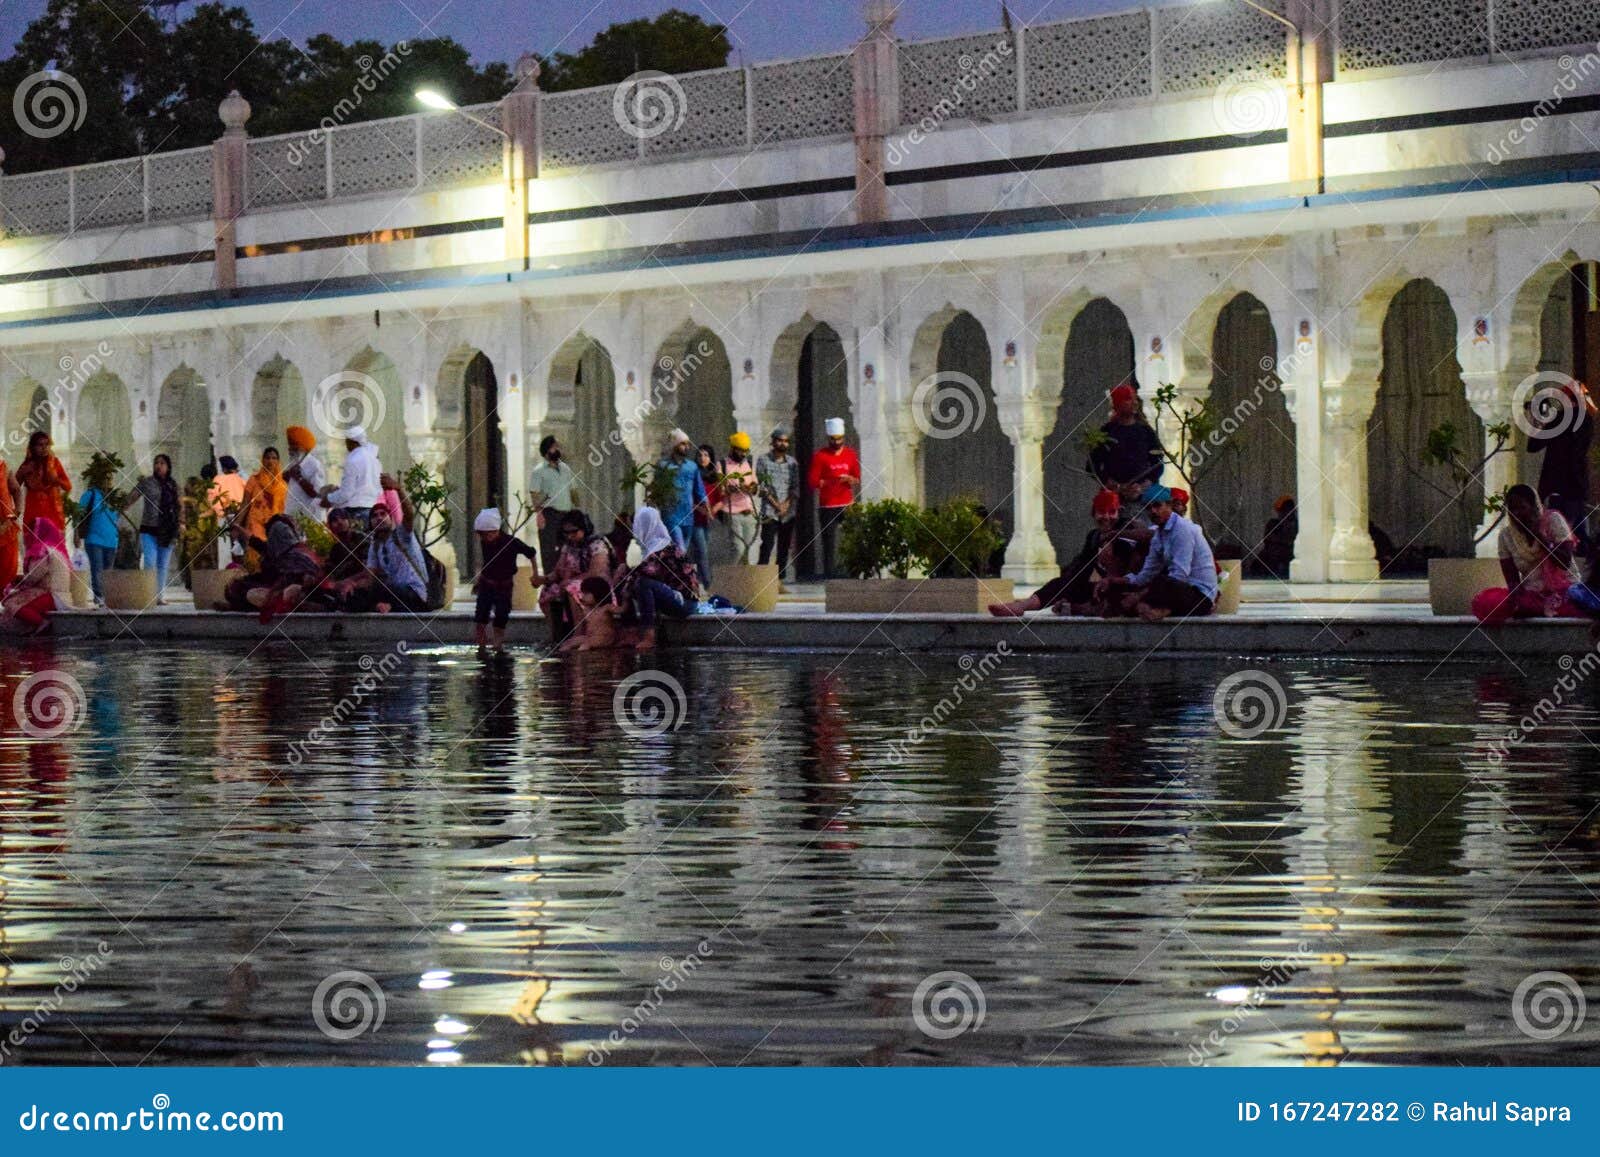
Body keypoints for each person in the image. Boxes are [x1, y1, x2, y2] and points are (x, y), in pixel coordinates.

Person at [990, 490, 1137, 617]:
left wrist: (1112, 539)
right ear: (1094, 514)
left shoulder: (1128, 531)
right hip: (1100, 589)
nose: (1106, 517)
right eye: (1101, 512)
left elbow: (1126, 564)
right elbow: (1081, 567)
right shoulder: (1094, 536)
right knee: (1060, 583)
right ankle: (1022, 606)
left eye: (1112, 512)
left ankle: (1073, 607)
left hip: (1123, 588)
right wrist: (1066, 585)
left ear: (1119, 513)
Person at [1102, 483, 1218, 621]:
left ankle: (1155, 609)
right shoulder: (1159, 535)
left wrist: (1138, 596)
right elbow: (1145, 575)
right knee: (1119, 589)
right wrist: (1112, 581)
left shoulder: (1183, 530)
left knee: (1162, 581)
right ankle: (1151, 609)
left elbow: (1179, 576)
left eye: (1157, 505)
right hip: (1173, 590)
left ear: (1169, 505)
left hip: (1198, 596)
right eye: (1148, 508)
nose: (1153, 511)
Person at [1471, 484, 1585, 624]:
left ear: (1534, 506)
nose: (1517, 513)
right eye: (1512, 509)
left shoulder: (1553, 520)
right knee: (1487, 604)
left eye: (1522, 508)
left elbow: (1564, 562)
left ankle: (1545, 608)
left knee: (1573, 603)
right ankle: (1537, 608)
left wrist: (1540, 536)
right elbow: (1512, 580)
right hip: (1533, 594)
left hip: (1565, 590)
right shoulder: (1506, 536)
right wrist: (1518, 600)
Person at [614, 506, 698, 652]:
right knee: (625, 581)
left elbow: (646, 574)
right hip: (665, 596)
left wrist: (627, 571)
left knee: (642, 583)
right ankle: (631, 632)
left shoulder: (664, 548)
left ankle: (649, 636)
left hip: (684, 602)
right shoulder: (644, 548)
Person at [1524, 378, 1595, 549]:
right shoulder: (1587, 420)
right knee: (1578, 531)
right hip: (1577, 483)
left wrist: (1539, 421)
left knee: (1558, 531)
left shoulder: (1562, 418)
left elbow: (1533, 446)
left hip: (1557, 485)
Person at [535, 509, 615, 646]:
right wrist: (543, 579)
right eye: (566, 532)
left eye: (574, 531)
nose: (570, 535)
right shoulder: (568, 546)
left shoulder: (597, 544)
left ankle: (578, 632)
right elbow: (557, 572)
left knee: (573, 587)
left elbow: (596, 572)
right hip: (573, 581)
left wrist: (570, 580)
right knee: (546, 592)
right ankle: (555, 633)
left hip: (597, 585)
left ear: (584, 528)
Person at [470, 507, 539, 653]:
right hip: (487, 584)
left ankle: (497, 646)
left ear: (495, 531)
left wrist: (535, 574)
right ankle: (481, 647)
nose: (484, 539)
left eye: (487, 535)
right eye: (482, 535)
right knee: (480, 616)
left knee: (501, 616)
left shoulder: (511, 542)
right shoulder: (484, 542)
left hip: (504, 585)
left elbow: (531, 553)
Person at [361, 475, 430, 614]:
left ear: (390, 519)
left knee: (380, 589)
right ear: (370, 523)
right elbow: (369, 577)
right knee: (360, 594)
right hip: (395, 594)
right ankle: (384, 606)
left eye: (383, 514)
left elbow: (409, 514)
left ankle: (387, 606)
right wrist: (348, 585)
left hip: (414, 593)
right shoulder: (375, 547)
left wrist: (399, 489)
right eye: (375, 516)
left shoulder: (401, 535)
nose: (379, 518)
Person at [1088, 383, 1165, 495]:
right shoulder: (1106, 432)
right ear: (1118, 404)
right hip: (1113, 498)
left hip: (1142, 497)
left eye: (1135, 399)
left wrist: (1142, 487)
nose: (1134, 403)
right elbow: (1091, 466)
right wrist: (1115, 486)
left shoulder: (1146, 432)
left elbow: (1158, 463)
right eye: (1128, 399)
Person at [807, 417, 860, 579]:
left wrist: (850, 480)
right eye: (833, 439)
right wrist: (831, 481)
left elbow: (857, 477)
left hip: (847, 504)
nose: (836, 442)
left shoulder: (850, 454)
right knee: (829, 543)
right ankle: (829, 574)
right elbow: (813, 481)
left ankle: (854, 571)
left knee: (853, 539)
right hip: (828, 506)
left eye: (839, 439)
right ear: (828, 439)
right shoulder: (820, 456)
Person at [2, 521, 71, 634]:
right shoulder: (55, 549)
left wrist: (18, 580)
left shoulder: (41, 550)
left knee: (10, 604)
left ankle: (41, 623)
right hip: (61, 595)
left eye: (28, 533)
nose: (25, 536)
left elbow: (33, 577)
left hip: (53, 596)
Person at [134, 453, 182, 605]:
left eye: (162, 463)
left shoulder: (173, 485)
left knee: (163, 565)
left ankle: (159, 596)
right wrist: (118, 507)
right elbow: (132, 497)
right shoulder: (147, 483)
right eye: (156, 463)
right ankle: (148, 594)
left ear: (168, 467)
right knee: (150, 561)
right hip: (149, 529)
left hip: (167, 530)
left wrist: (182, 523)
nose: (158, 466)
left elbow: (180, 506)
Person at [76, 457, 123, 608]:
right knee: (97, 568)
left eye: (110, 477)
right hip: (94, 538)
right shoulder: (90, 494)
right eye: (106, 477)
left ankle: (106, 595)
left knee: (108, 570)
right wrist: (76, 534)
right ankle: (99, 596)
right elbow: (78, 513)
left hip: (111, 540)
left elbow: (118, 516)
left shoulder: (114, 497)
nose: (108, 480)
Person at [321, 425, 383, 531]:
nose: (345, 444)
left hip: (356, 512)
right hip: (372, 510)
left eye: (346, 441)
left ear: (352, 441)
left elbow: (346, 493)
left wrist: (329, 499)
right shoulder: (374, 459)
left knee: (356, 545)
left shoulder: (353, 460)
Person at [756, 426, 799, 579]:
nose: (782, 444)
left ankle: (780, 580)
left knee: (784, 547)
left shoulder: (792, 463)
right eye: (779, 441)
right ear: (773, 442)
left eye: (785, 441)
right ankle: (761, 579)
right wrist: (776, 505)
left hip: (788, 511)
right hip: (769, 510)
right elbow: (762, 486)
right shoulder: (763, 460)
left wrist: (786, 505)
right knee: (767, 545)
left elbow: (795, 487)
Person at [530, 435, 576, 573]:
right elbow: (534, 493)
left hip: (566, 514)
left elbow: (573, 490)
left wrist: (577, 508)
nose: (558, 450)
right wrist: (539, 514)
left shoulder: (565, 469)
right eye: (555, 447)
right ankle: (550, 582)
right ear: (547, 450)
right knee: (549, 550)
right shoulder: (539, 470)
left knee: (567, 548)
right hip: (549, 514)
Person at [658, 428, 706, 557]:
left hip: (688, 516)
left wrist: (705, 504)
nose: (687, 447)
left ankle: (678, 576)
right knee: (681, 550)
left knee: (680, 553)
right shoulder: (663, 466)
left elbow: (699, 488)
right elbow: (657, 488)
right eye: (683, 444)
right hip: (671, 515)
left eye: (688, 444)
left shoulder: (692, 466)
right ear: (675, 445)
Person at [239, 447, 287, 572]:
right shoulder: (254, 480)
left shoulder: (283, 484)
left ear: (278, 461)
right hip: (256, 524)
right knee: (255, 556)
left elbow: (285, 507)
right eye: (267, 458)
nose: (270, 461)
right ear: (262, 460)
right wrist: (237, 523)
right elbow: (245, 504)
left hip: (276, 526)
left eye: (274, 458)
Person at [16, 431, 71, 534]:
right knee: (35, 549)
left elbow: (68, 486)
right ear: (33, 447)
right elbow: (14, 488)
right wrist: (21, 473)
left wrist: (56, 480)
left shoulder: (55, 463)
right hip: (33, 518)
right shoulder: (27, 465)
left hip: (54, 517)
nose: (44, 448)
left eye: (47, 444)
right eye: (40, 445)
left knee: (53, 549)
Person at [719, 432, 760, 566]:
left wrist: (750, 488)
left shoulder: (748, 463)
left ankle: (742, 583)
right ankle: (729, 577)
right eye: (740, 450)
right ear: (733, 449)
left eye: (745, 451)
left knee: (747, 550)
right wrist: (736, 488)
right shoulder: (722, 465)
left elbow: (755, 486)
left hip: (749, 512)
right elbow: (721, 489)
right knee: (738, 548)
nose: (743, 454)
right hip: (732, 513)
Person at [558, 576, 624, 652]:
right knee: (569, 642)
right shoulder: (587, 610)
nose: (582, 596)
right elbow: (581, 625)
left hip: (605, 638)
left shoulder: (606, 608)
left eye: (586, 594)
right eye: (582, 593)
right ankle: (562, 658)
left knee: (585, 646)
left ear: (597, 593)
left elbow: (621, 610)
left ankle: (579, 660)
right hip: (591, 637)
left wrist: (625, 599)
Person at [283, 426, 326, 525]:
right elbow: (286, 479)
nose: (290, 449)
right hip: (293, 515)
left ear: (303, 447)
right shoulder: (294, 462)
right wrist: (288, 474)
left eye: (294, 445)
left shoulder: (314, 465)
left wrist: (299, 478)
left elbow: (316, 492)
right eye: (289, 445)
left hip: (309, 516)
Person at [692, 444, 719, 588]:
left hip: (709, 520)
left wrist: (712, 511)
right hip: (695, 519)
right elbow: (688, 498)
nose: (703, 458)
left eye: (706, 455)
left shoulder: (714, 476)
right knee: (702, 551)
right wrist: (702, 510)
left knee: (703, 552)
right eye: (700, 455)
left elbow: (720, 498)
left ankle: (700, 581)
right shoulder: (693, 474)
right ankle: (709, 585)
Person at [1253, 495, 1297, 579]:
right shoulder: (1273, 523)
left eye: (1286, 510)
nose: (1282, 513)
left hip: (1288, 556)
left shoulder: (1298, 525)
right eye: (1281, 511)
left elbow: (1290, 541)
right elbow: (1267, 539)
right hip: (1272, 556)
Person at [0, 450, 20, 589]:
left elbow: (16, 490)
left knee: (8, 567)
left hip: (6, 527)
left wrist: (15, 514)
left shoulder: (4, 466)